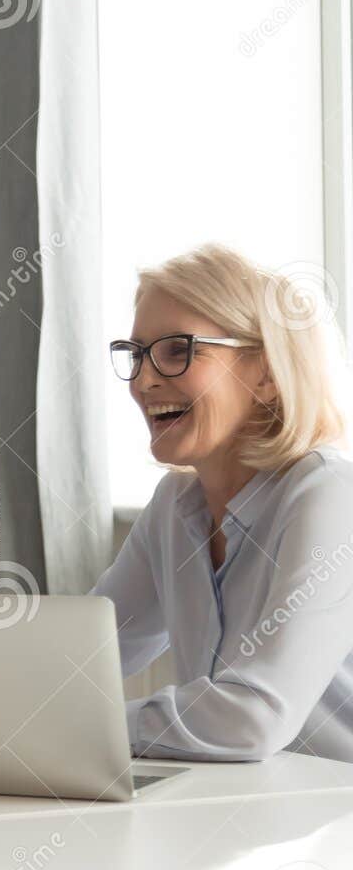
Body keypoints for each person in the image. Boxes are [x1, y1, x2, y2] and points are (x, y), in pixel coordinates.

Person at [94, 245, 353, 762]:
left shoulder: (328, 494)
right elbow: (80, 660)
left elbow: (254, 718)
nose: (144, 381)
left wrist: (82, 728)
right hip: (247, 819)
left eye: (176, 350)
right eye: (137, 353)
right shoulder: (175, 505)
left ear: (265, 371)